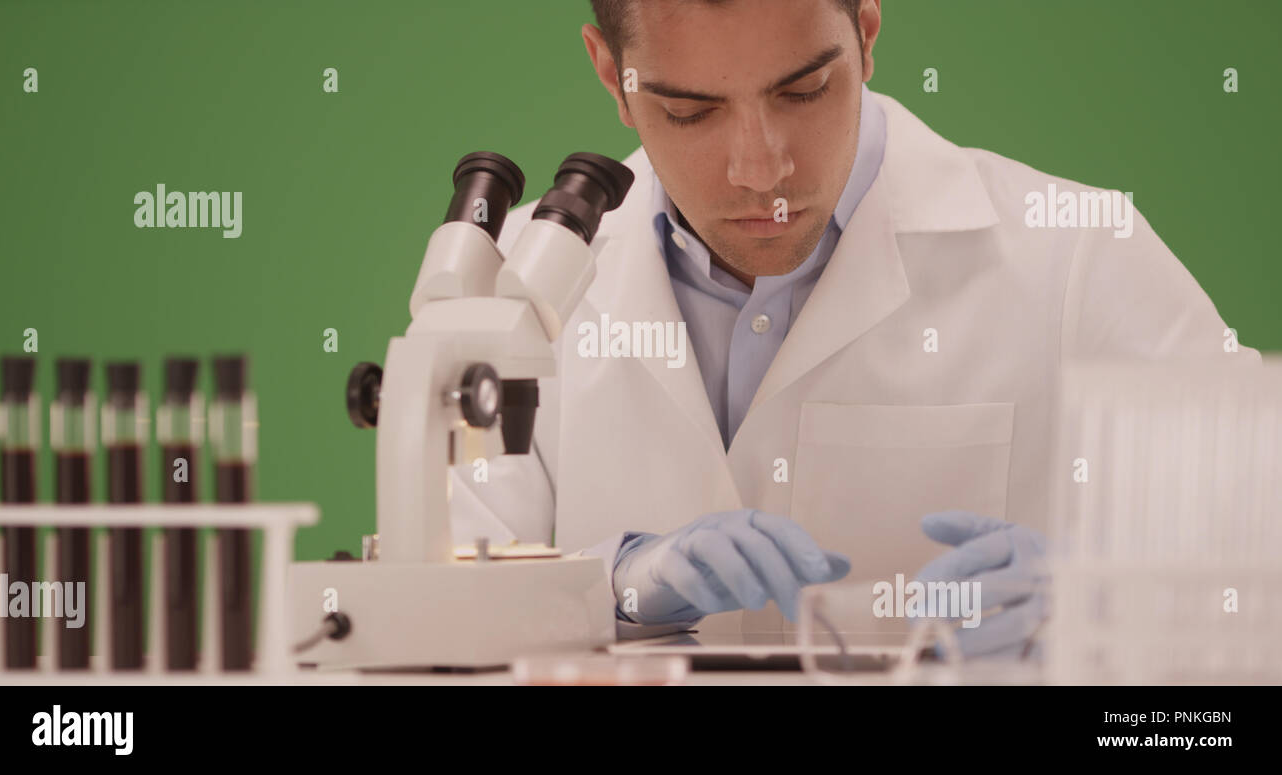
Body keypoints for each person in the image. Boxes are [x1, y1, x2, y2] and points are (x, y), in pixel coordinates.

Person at [444, 0, 1259, 658]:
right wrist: (617, 582)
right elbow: (435, 600)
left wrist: (1099, 598)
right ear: (609, 75)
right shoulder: (520, 286)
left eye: (803, 92)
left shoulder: (1078, 250)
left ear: (866, 33)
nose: (759, 170)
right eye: (691, 111)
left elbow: (1257, 559)